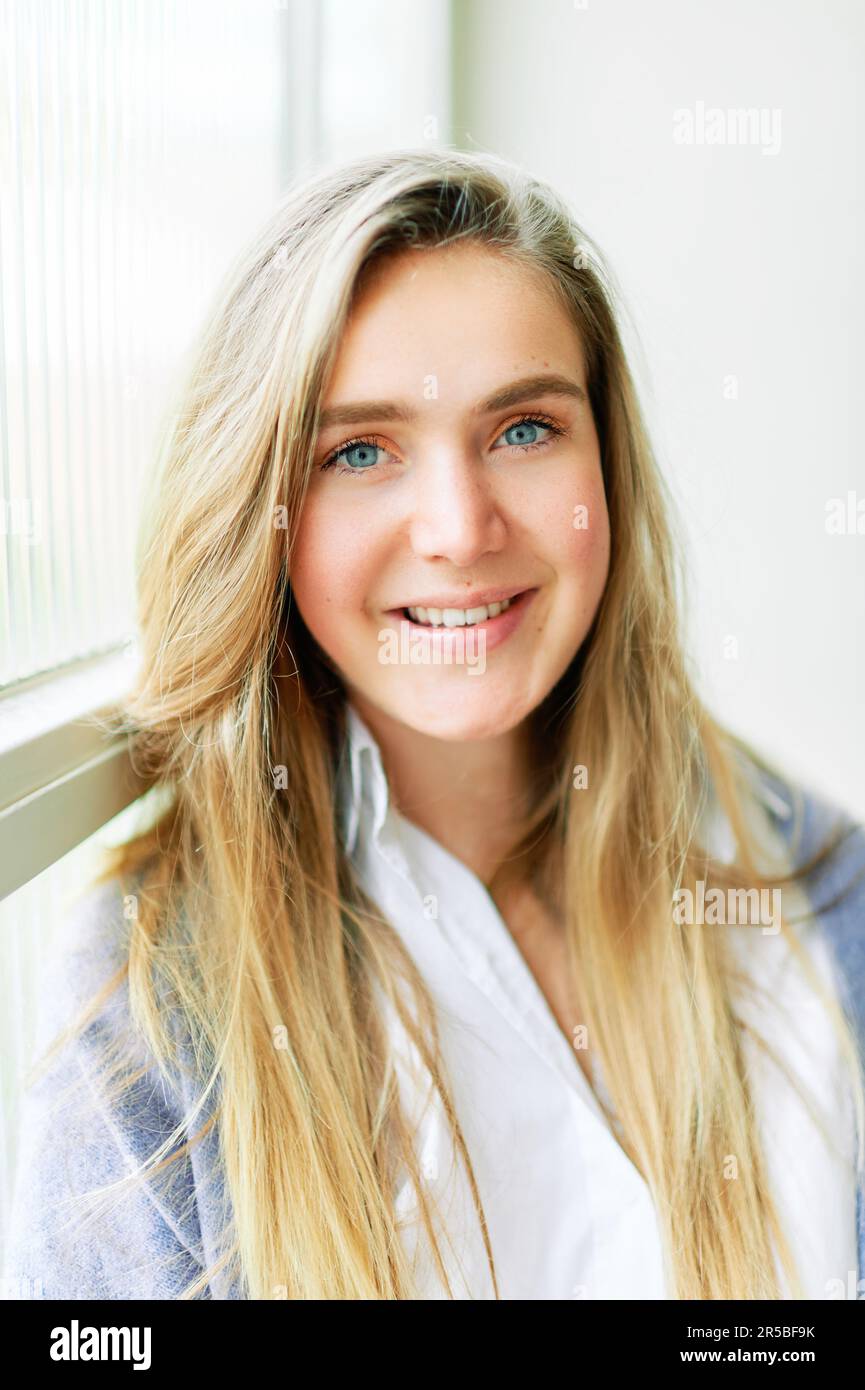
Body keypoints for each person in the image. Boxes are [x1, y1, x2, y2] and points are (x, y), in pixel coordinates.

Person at [4, 148, 865, 1301]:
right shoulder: (155, 1001)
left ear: (603, 461)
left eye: (523, 429)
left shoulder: (812, 887)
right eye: (359, 451)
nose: (460, 528)